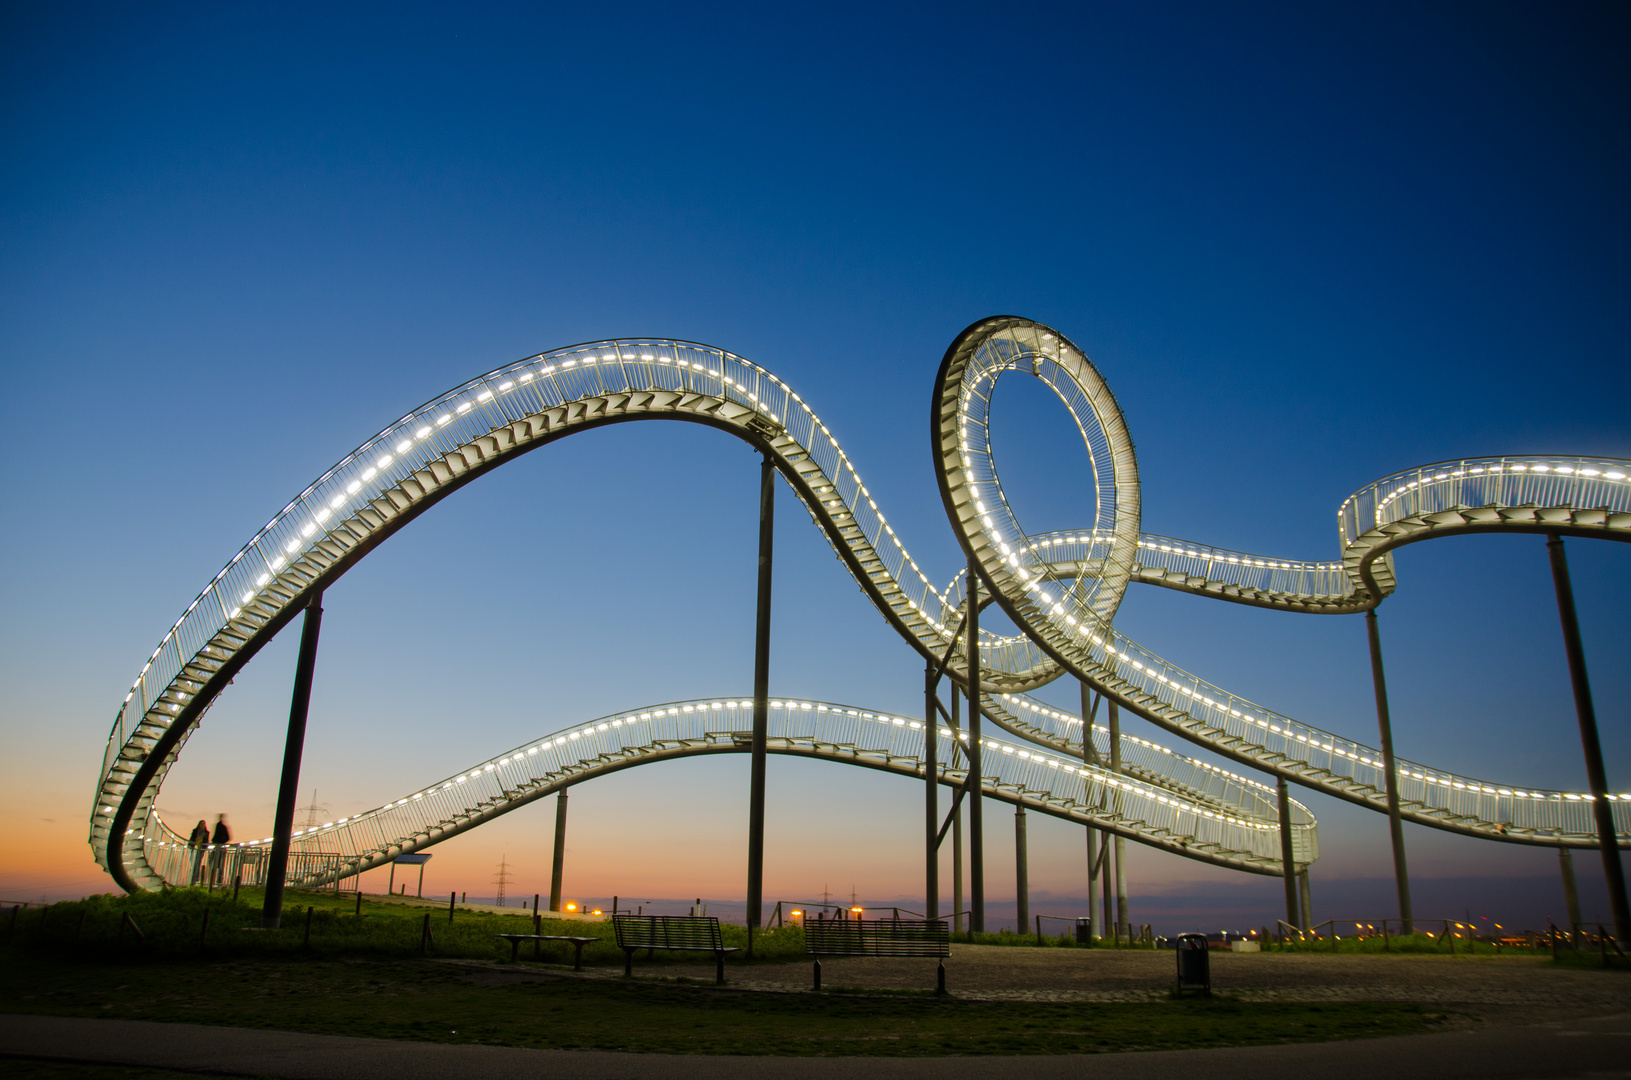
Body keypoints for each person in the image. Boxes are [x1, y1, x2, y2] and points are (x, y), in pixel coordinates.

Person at [209, 814, 231, 887]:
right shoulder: (223, 827)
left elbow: (218, 836)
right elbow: (228, 837)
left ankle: (214, 880)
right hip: (220, 848)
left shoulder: (220, 826)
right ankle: (217, 881)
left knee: (215, 864)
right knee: (219, 864)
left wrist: (216, 841)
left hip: (219, 848)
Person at [187, 819, 210, 885]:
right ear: (199, 824)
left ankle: (195, 879)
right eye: (201, 824)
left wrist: (204, 848)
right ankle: (192, 879)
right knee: (193, 863)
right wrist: (191, 845)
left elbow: (206, 841)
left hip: (200, 850)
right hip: (195, 848)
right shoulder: (195, 831)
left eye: (203, 824)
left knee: (197, 864)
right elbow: (192, 838)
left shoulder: (206, 832)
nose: (202, 825)